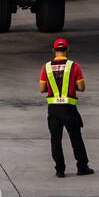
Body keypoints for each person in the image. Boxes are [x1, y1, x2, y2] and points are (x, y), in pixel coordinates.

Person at [40, 39, 93, 177]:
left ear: (53, 50)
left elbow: (42, 89)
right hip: (69, 109)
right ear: (67, 49)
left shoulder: (46, 67)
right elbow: (81, 88)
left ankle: (60, 170)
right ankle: (82, 167)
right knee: (76, 137)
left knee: (55, 139)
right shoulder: (74, 66)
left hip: (53, 109)